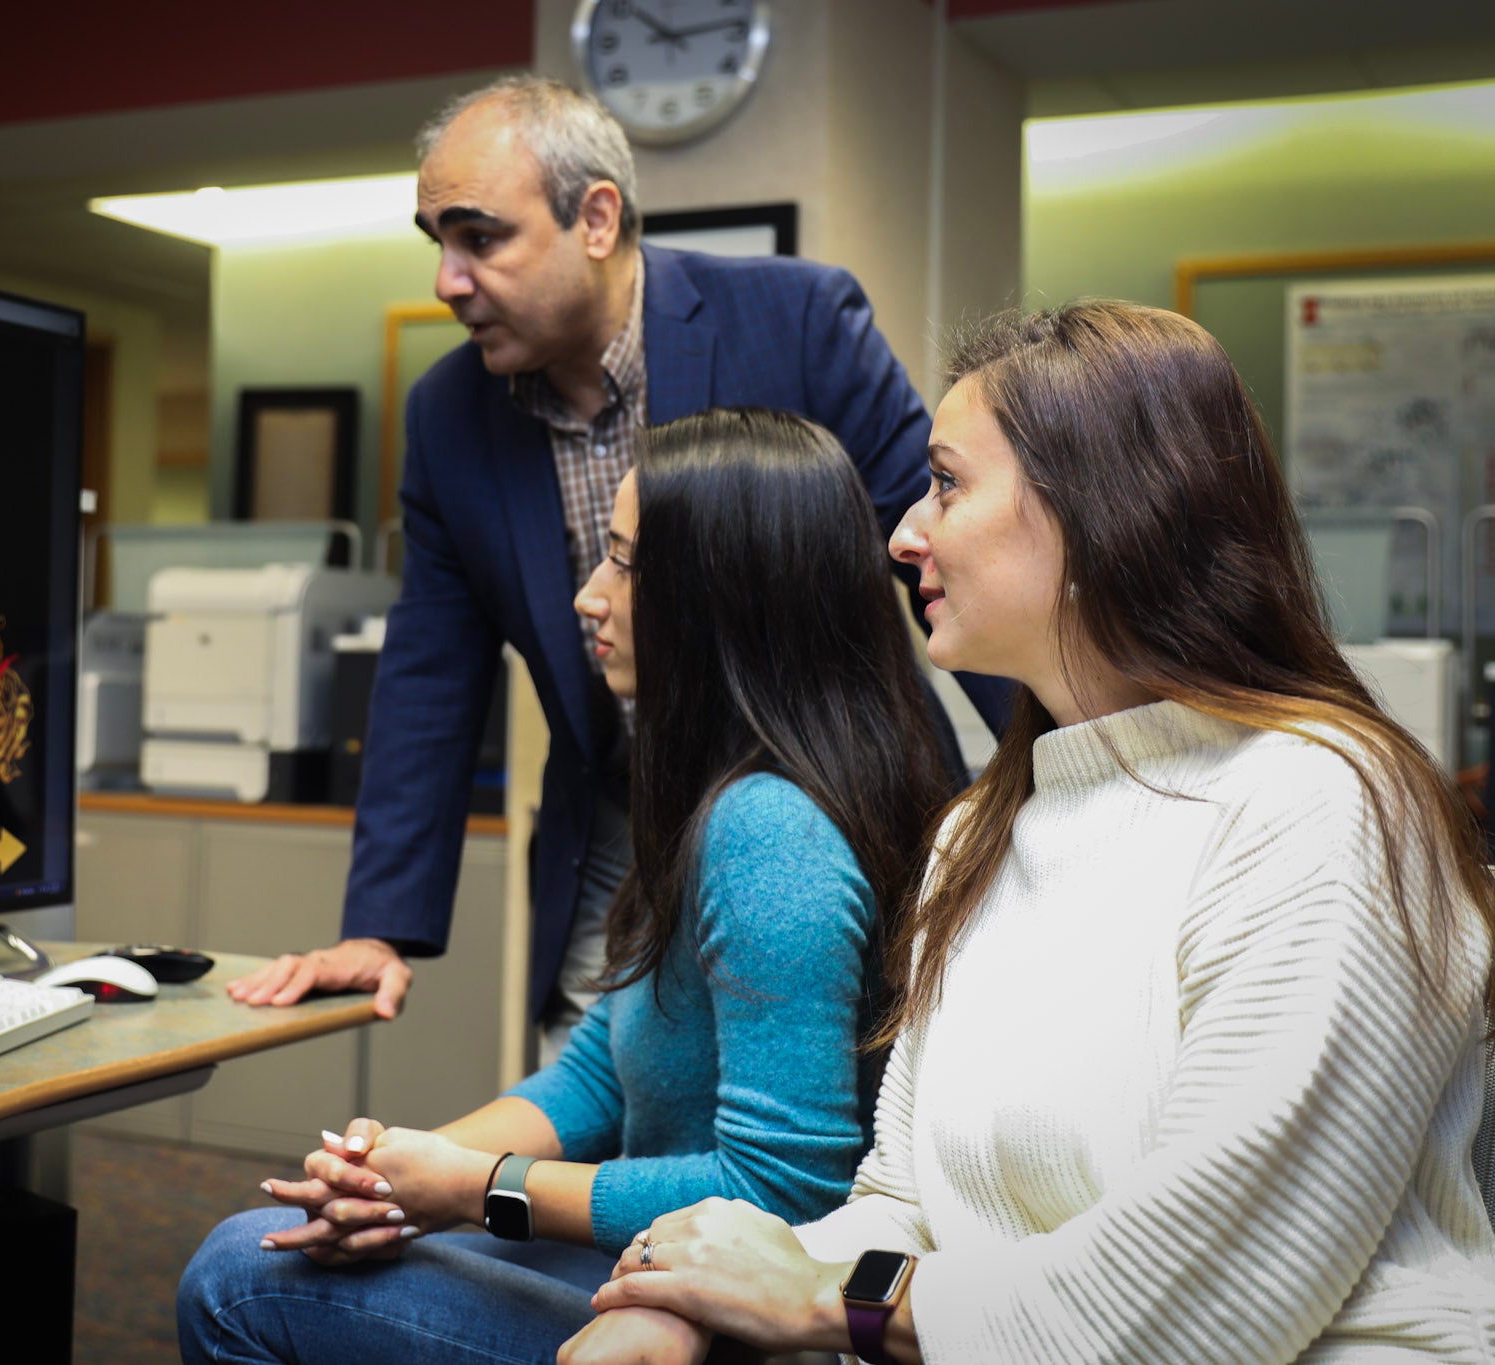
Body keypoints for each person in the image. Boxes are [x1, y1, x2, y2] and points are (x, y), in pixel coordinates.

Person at [560, 300, 1495, 1365]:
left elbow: (1196, 1307)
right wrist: (684, 1297)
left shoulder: (1324, 809)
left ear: (1105, 511)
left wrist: (828, 1305)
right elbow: (900, 1206)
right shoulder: (981, 833)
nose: (904, 532)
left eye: (946, 484)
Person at [227, 74, 1009, 1048]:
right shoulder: (445, 415)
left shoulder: (795, 321)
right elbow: (430, 666)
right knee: (591, 1086)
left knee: (837, 1106)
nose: (446, 281)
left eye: (480, 238)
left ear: (595, 218)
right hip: (620, 820)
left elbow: (942, 550)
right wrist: (378, 926)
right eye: (438, 245)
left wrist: (1062, 773)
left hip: (829, 807)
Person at [177, 409, 959, 1364]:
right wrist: (388, 1174)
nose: (590, 596)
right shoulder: (723, 790)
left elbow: (782, 1189)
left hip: (733, 1326)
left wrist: (473, 1186)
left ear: (719, 594)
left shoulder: (772, 830)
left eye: (625, 564)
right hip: (661, 1271)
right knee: (302, 1250)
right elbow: (600, 1066)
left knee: (237, 1277)